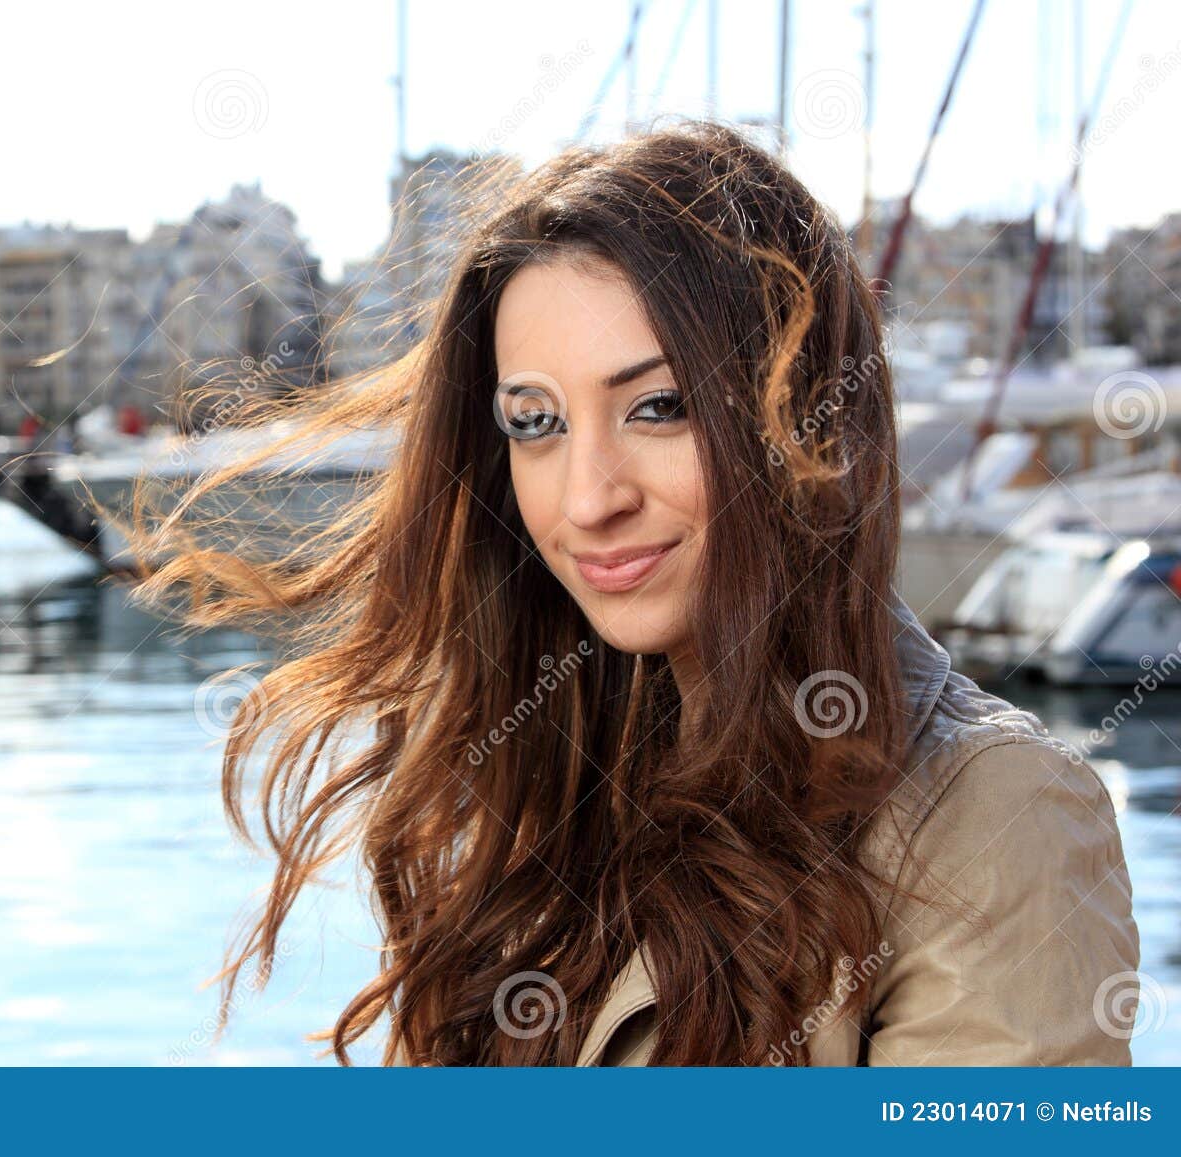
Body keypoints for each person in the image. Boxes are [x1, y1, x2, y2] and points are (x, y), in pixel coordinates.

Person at [125, 119, 1141, 1066]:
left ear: (806, 419)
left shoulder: (995, 814)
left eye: (659, 406)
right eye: (535, 422)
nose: (588, 498)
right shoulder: (539, 772)